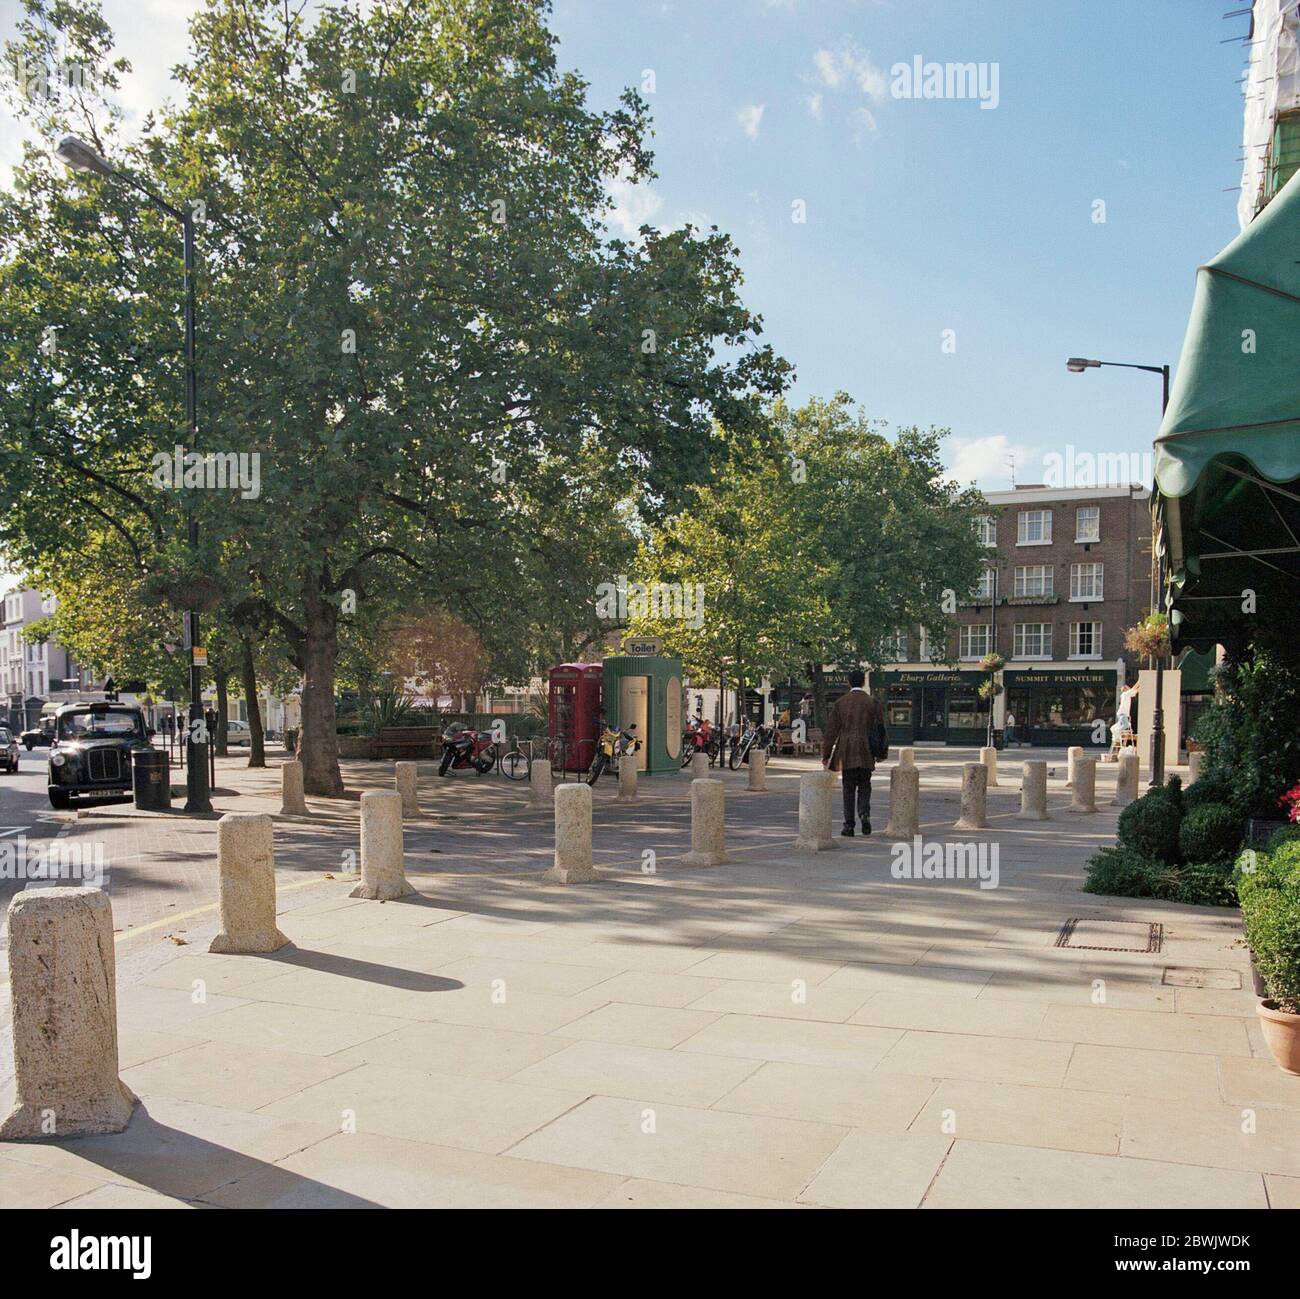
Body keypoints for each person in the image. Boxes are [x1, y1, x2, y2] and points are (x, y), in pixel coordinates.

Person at [821, 669, 881, 837]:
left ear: (848, 682)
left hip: (847, 751)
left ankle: (849, 825)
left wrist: (826, 754)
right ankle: (864, 812)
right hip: (867, 750)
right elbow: (880, 729)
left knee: (848, 788)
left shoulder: (841, 703)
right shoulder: (873, 703)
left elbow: (831, 732)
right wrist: (881, 752)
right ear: (864, 682)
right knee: (865, 785)